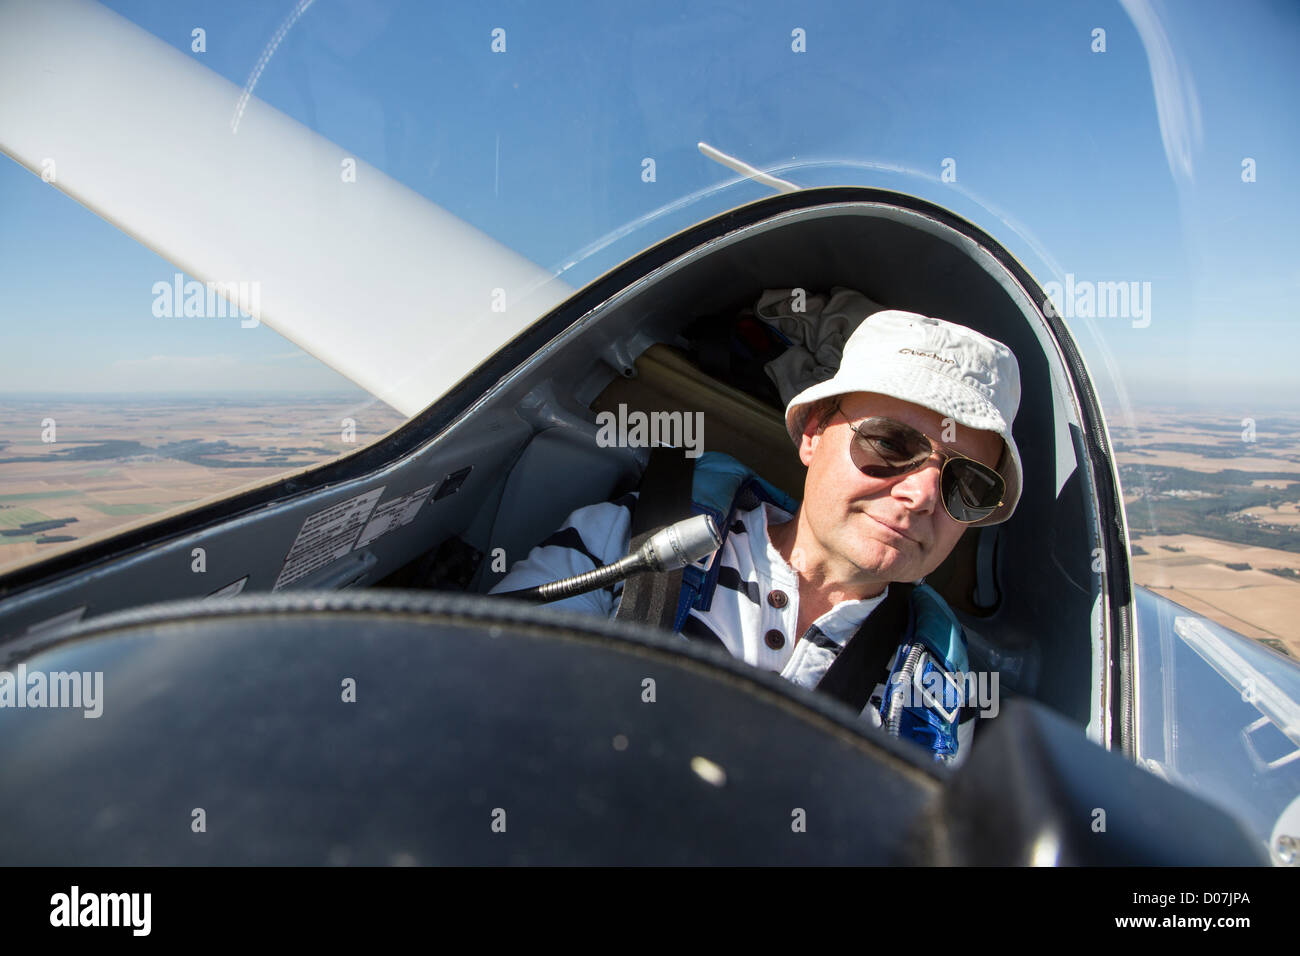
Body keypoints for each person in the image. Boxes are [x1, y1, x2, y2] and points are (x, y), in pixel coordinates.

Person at [491, 310, 1022, 763]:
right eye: (890, 442)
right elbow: (480, 691)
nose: (923, 495)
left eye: (966, 484)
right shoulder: (630, 541)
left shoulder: (936, 694)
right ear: (813, 432)